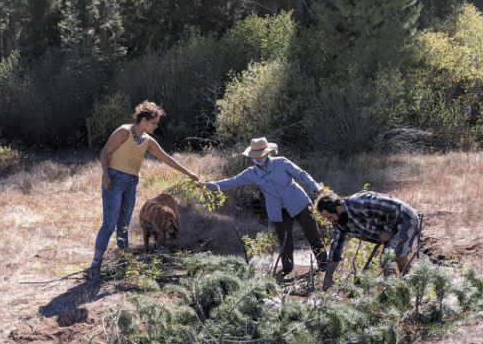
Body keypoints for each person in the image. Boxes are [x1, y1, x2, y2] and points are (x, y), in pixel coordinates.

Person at [88, 101, 199, 281]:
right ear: (145, 120)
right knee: (109, 224)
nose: (156, 126)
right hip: (114, 181)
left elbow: (167, 159)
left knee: (123, 225)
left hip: (131, 183)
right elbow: (105, 153)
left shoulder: (147, 141)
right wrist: (106, 177)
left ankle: (124, 263)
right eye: (154, 123)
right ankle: (95, 265)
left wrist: (189, 173)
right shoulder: (124, 131)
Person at [205, 137, 327, 274]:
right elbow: (232, 181)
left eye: (260, 156)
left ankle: (324, 265)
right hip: (277, 210)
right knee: (284, 240)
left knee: (313, 235)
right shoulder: (251, 173)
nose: (258, 159)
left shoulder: (281, 162)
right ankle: (287, 268)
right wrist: (208, 186)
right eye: (255, 157)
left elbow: (301, 174)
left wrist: (315, 186)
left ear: (267, 153)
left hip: (298, 202)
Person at [316, 190, 420, 290]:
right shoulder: (339, 223)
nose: (330, 222)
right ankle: (396, 290)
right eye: (327, 220)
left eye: (330, 217)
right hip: (391, 227)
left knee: (391, 258)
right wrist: (328, 277)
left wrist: (387, 230)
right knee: (388, 259)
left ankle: (404, 289)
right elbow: (336, 250)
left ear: (338, 209)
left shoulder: (360, 203)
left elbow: (395, 207)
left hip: (405, 218)